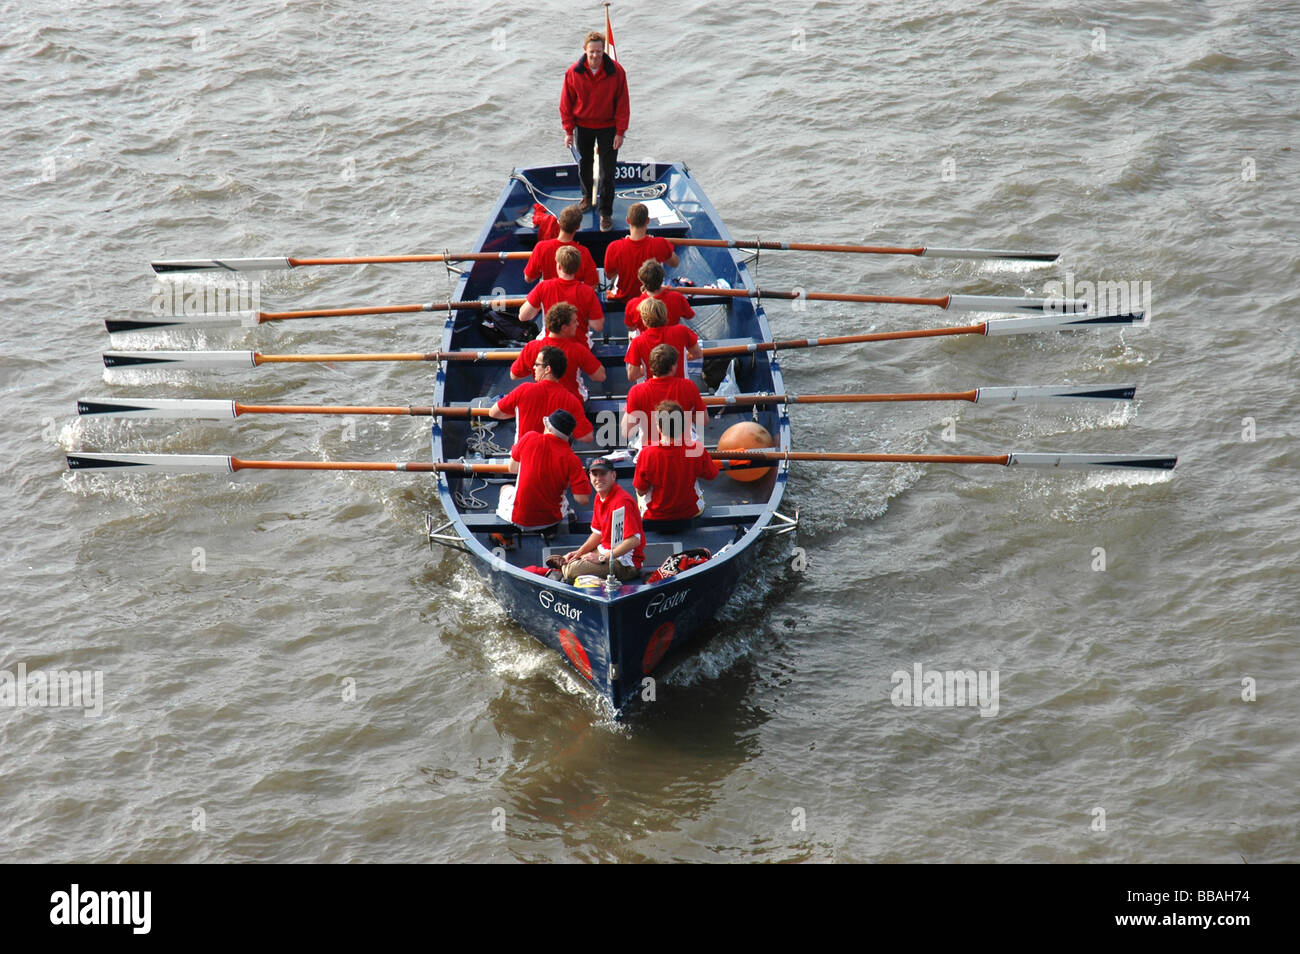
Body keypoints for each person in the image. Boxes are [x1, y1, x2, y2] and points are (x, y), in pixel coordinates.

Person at [560, 31, 629, 232]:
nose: (595, 56)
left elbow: (623, 104)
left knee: (608, 172)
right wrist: (568, 131)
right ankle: (587, 196)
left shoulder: (617, 72)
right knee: (584, 164)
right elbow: (566, 104)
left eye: (599, 52)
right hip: (583, 126)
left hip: (609, 127)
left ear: (604, 51)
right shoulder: (573, 73)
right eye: (592, 52)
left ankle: (605, 212)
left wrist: (620, 132)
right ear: (585, 50)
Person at [498, 410, 592, 531]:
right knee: (564, 501)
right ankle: (550, 533)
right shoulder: (572, 459)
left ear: (548, 427)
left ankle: (504, 536)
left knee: (505, 488)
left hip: (518, 517)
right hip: (550, 520)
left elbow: (512, 468)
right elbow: (582, 500)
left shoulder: (529, 437)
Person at [561, 457, 644, 583]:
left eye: (603, 474)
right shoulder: (599, 497)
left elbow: (634, 540)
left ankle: (562, 569)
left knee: (571, 570)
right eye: (594, 474)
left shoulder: (621, 501)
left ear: (613, 475)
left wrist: (601, 558)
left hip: (625, 564)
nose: (598, 479)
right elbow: (598, 534)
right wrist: (579, 552)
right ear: (589, 477)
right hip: (606, 552)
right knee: (569, 560)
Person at [633, 401, 720, 520]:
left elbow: (641, 491)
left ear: (658, 427)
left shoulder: (646, 454)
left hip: (655, 514)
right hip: (691, 511)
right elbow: (711, 475)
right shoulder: (697, 449)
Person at [489, 345, 594, 444]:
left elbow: (493, 412)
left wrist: (520, 412)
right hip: (554, 459)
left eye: (537, 364)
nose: (534, 367)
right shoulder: (571, 401)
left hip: (524, 459)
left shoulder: (524, 390)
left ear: (547, 369)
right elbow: (586, 437)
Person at [510, 303, 605, 400]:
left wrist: (535, 368)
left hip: (543, 402)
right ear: (564, 328)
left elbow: (514, 375)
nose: (577, 324)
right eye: (574, 321)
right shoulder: (577, 350)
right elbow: (600, 376)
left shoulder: (531, 347)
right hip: (572, 402)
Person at [623, 343, 707, 447]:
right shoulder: (688, 386)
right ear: (672, 368)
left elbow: (626, 430)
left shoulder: (636, 391)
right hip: (684, 450)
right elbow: (703, 421)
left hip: (650, 452)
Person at [519, 245, 604, 341]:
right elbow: (598, 326)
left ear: (559, 266)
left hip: (550, 347)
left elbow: (523, 316)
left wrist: (541, 303)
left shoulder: (543, 287)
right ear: (577, 267)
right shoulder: (587, 292)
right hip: (580, 345)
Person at [603, 202, 679, 305]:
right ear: (647, 221)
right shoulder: (660, 243)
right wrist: (662, 247)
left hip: (625, 298)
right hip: (653, 298)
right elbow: (675, 263)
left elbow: (609, 275)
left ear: (628, 220)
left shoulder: (614, 247)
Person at [625, 297, 702, 383]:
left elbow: (632, 375)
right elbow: (697, 354)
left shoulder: (637, 342)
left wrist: (647, 368)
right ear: (665, 314)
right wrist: (677, 360)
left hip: (652, 391)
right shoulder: (682, 331)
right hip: (681, 388)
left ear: (644, 319)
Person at [524, 204, 600, 287]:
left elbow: (528, 278)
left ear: (559, 222)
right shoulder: (583, 253)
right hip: (573, 299)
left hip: (550, 297)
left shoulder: (541, 247)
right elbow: (592, 284)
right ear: (578, 227)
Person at [624, 259, 694, 333]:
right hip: (672, 341)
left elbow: (631, 327)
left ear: (641, 280)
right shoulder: (677, 297)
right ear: (662, 277)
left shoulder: (632, 304)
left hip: (646, 342)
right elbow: (689, 315)